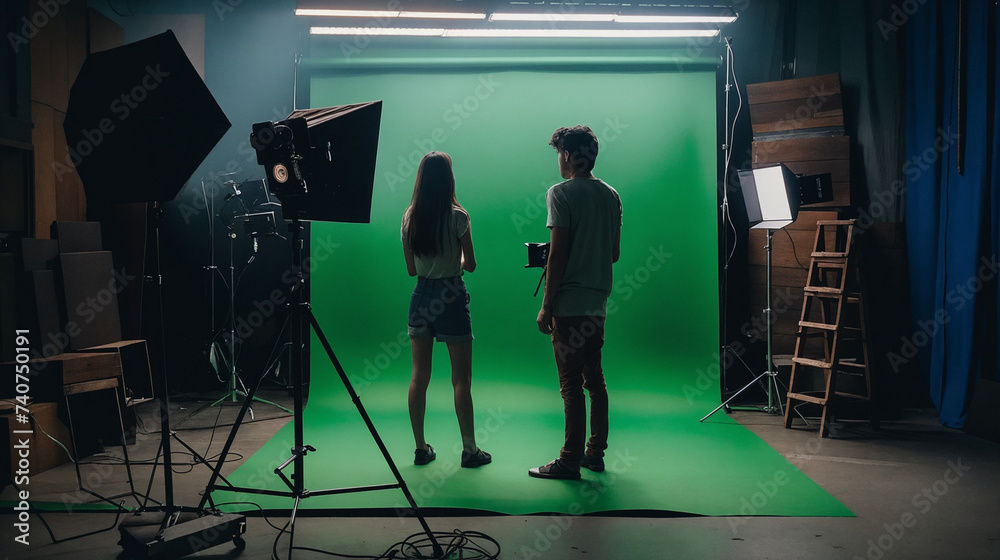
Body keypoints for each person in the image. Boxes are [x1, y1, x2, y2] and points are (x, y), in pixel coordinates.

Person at [530, 126, 622, 480]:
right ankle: (594, 454)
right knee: (594, 380)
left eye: (558, 153)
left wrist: (547, 306)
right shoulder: (611, 195)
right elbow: (613, 253)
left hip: (568, 303)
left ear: (567, 155)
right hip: (597, 302)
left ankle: (569, 461)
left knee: (570, 384)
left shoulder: (560, 193)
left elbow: (558, 256)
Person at [401, 151, 491, 469]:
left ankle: (421, 448)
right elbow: (472, 264)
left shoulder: (410, 216)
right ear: (448, 179)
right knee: (461, 379)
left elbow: (412, 270)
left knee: (418, 376)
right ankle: (469, 450)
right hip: (451, 294)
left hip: (421, 296)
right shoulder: (458, 217)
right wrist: (455, 262)